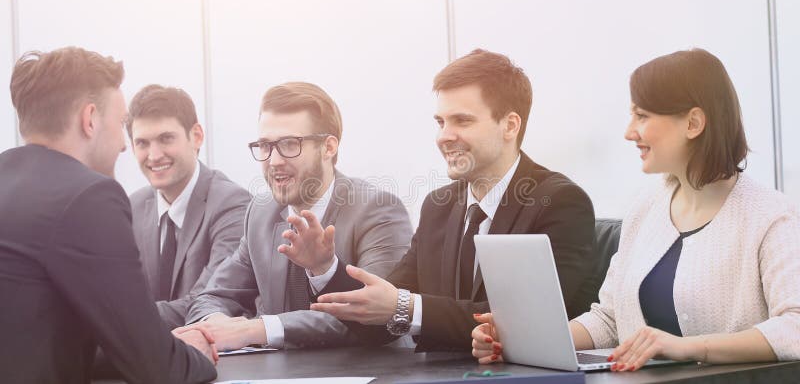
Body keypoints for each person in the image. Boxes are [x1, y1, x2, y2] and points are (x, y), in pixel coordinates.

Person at [472, 48, 800, 369]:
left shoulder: (770, 216)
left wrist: (686, 348)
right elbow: (610, 319)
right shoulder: (646, 208)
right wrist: (518, 339)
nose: (630, 132)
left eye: (642, 116)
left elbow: (795, 328)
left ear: (693, 123)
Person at [312, 49, 596, 351]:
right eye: (440, 122)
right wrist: (324, 268)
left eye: (461, 121)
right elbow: (378, 325)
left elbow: (523, 321)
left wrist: (407, 307)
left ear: (510, 126)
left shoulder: (560, 202)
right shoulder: (439, 206)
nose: (443, 137)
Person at [0, 46, 217, 383]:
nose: (122, 146)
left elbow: (39, 342)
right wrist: (195, 356)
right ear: (90, 120)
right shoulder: (88, 196)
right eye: (121, 124)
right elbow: (157, 369)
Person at [180, 82, 413, 350]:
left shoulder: (379, 210)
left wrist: (255, 329)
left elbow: (374, 316)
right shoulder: (260, 212)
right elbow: (213, 296)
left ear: (328, 147)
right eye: (265, 146)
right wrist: (214, 327)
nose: (274, 161)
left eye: (290, 144)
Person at [127, 84, 251, 329]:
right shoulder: (133, 208)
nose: (153, 155)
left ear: (196, 136)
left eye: (165, 139)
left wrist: (117, 319)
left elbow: (208, 302)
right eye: (142, 143)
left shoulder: (232, 205)